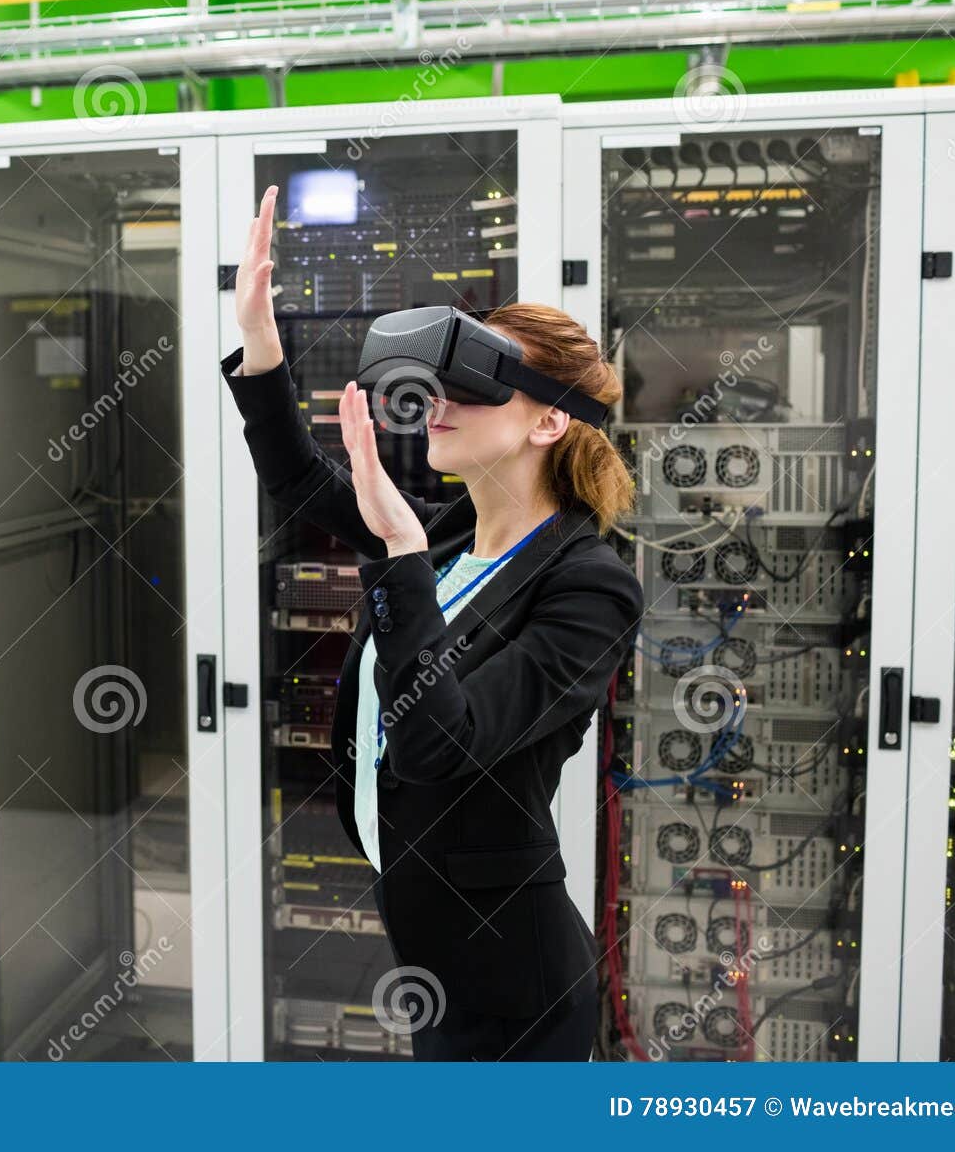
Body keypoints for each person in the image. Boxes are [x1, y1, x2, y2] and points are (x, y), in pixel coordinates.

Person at [220, 184, 644, 1061]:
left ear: (550, 419)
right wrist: (260, 340)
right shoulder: (447, 536)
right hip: (427, 940)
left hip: (513, 981)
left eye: (476, 382)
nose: (438, 399)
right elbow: (298, 477)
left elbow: (436, 744)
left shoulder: (589, 588)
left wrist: (402, 555)